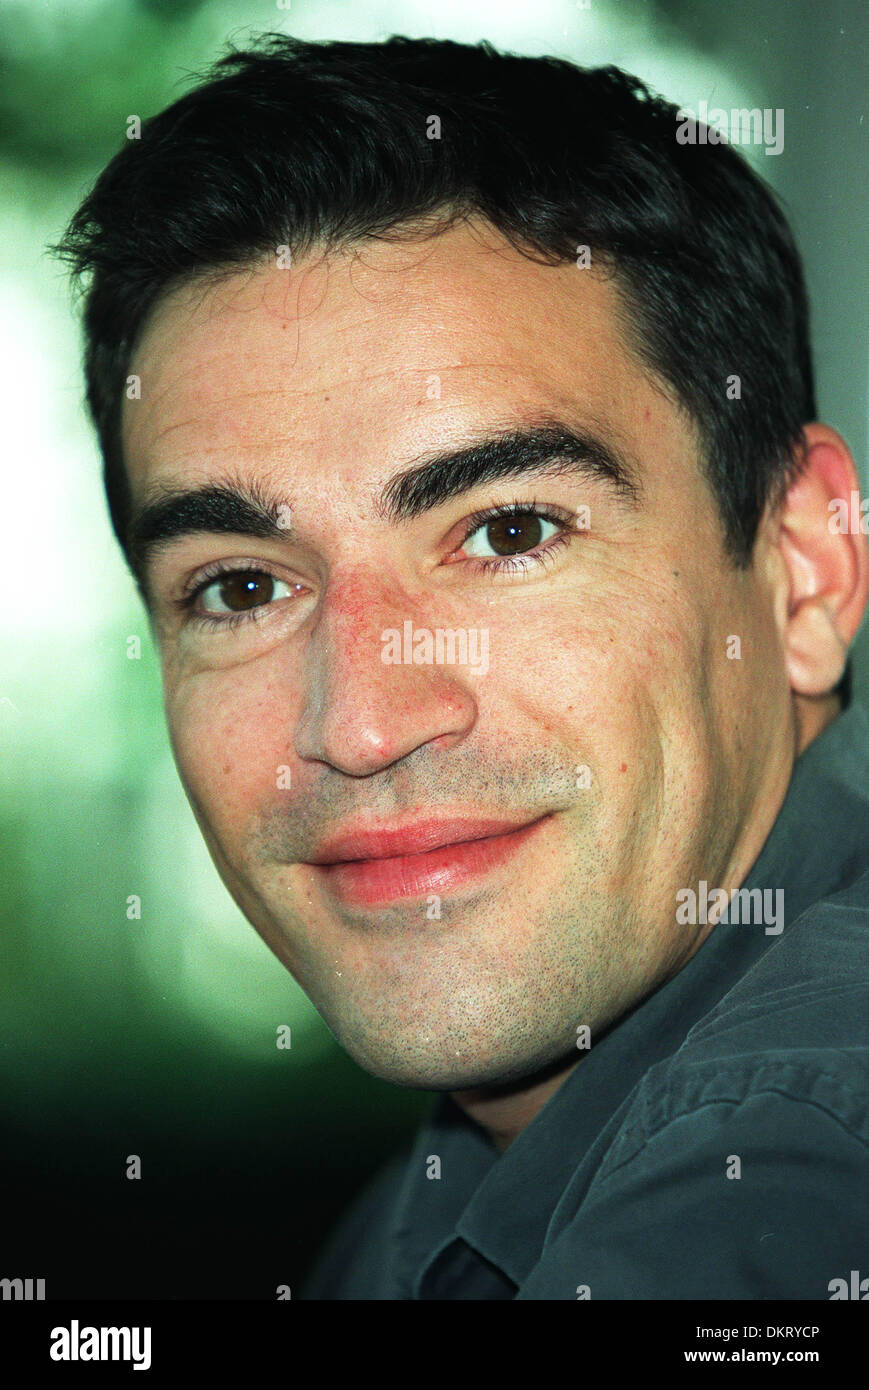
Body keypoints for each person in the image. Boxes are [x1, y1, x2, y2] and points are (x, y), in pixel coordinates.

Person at [54, 34, 869, 1299]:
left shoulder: (788, 1159)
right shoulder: (456, 1199)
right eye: (243, 586)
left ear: (802, 566)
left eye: (507, 530)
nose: (364, 720)